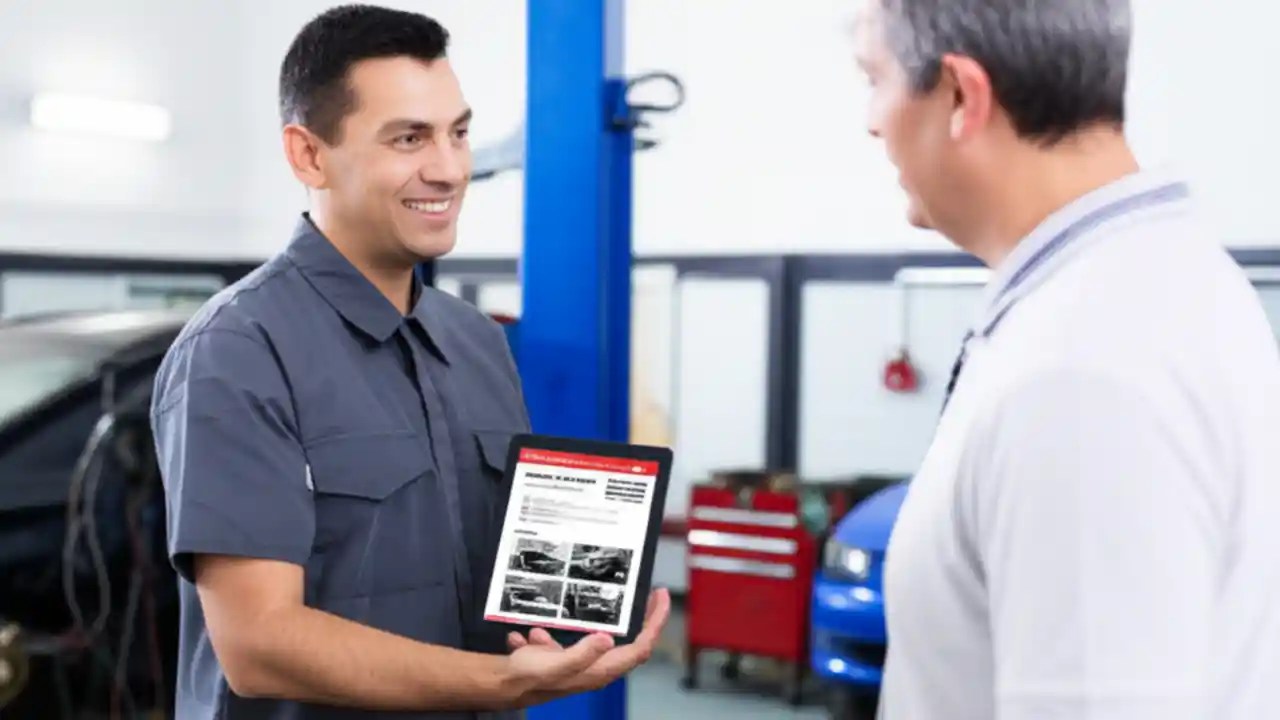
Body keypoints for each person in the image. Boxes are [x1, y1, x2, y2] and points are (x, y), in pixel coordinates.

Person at [149, 5, 668, 719]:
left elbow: (505, 587)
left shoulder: (477, 343)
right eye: (408, 138)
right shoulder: (238, 351)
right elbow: (258, 644)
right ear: (308, 155)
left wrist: (576, 606)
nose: (450, 169)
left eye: (458, 133)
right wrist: (506, 685)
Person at [851, 1, 1280, 718]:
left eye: (875, 78)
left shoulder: (1083, 368)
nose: (870, 119)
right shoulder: (1154, 284)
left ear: (961, 96)